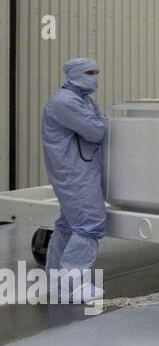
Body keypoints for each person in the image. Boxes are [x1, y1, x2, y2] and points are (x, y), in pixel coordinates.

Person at [41, 57, 108, 303]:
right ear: (75, 74)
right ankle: (73, 285)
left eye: (96, 71)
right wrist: (100, 123)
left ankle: (57, 281)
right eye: (90, 72)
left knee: (69, 224)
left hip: (80, 169)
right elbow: (96, 131)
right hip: (74, 172)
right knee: (90, 222)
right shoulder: (65, 102)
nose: (95, 76)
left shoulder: (81, 100)